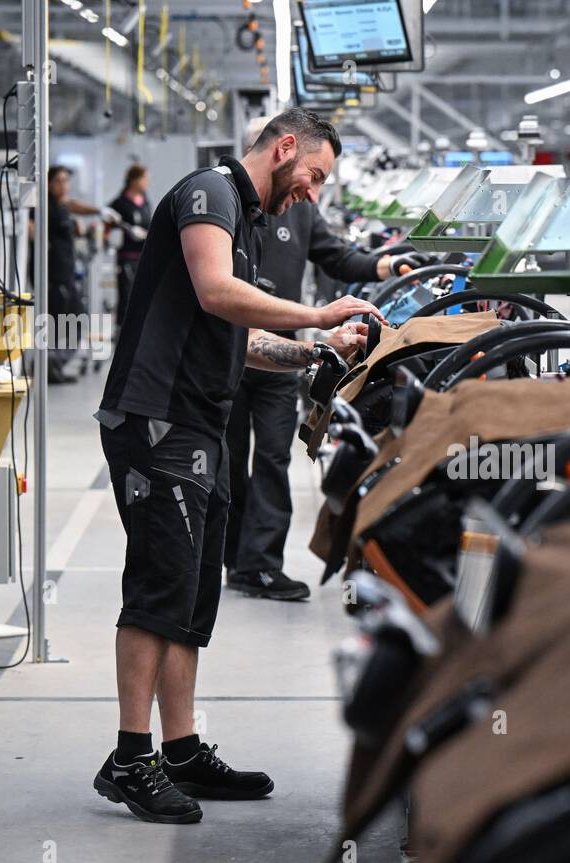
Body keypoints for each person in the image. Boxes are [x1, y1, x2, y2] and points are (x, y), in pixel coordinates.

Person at [92, 108, 384, 824]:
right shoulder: (209, 194)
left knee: (193, 594)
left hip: (203, 425)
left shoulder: (246, 222)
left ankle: (181, 748)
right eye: (314, 174)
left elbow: (243, 340)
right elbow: (214, 291)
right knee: (160, 586)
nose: (312, 192)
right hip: (156, 420)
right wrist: (315, 315)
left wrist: (320, 352)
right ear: (285, 148)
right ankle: (131, 757)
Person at [225, 118, 433, 601]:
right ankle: (232, 556)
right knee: (226, 464)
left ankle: (260, 565)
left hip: (281, 356)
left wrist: (390, 263)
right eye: (314, 176)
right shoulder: (225, 205)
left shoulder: (298, 209)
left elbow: (336, 257)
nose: (312, 191)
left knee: (274, 461)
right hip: (231, 354)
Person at [35, 165, 119, 384]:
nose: (64, 185)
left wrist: (98, 211)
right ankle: (52, 366)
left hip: (67, 272)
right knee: (62, 322)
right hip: (54, 274)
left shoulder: (60, 205)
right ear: (49, 183)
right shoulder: (44, 206)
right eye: (59, 181)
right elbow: (34, 231)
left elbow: (73, 205)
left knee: (73, 320)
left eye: (66, 180)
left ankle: (55, 366)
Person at [108, 164, 151, 356]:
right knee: (126, 298)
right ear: (134, 180)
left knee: (142, 297)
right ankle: (122, 340)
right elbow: (107, 223)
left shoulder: (145, 201)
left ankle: (139, 337)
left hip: (142, 258)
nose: (146, 183)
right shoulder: (120, 203)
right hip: (126, 259)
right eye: (143, 179)